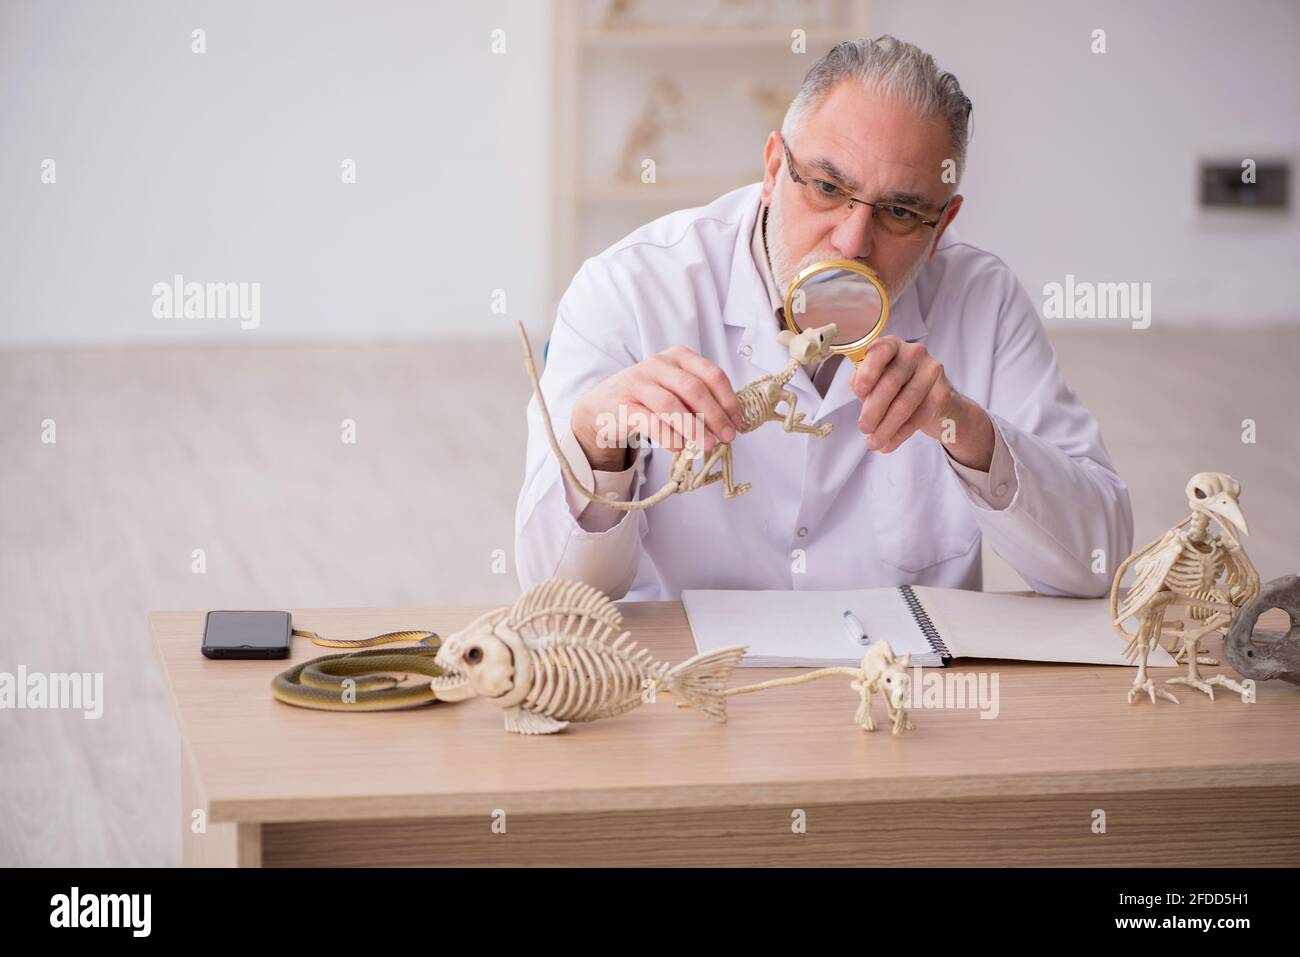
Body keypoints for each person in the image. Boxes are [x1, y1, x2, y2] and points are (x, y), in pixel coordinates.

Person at [515, 36, 1132, 601]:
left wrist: (966, 430)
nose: (851, 241)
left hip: (899, 690)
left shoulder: (983, 301)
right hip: (687, 684)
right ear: (773, 170)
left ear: (941, 225)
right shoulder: (630, 288)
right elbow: (556, 591)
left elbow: (1099, 563)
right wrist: (599, 440)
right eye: (828, 189)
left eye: (898, 212)